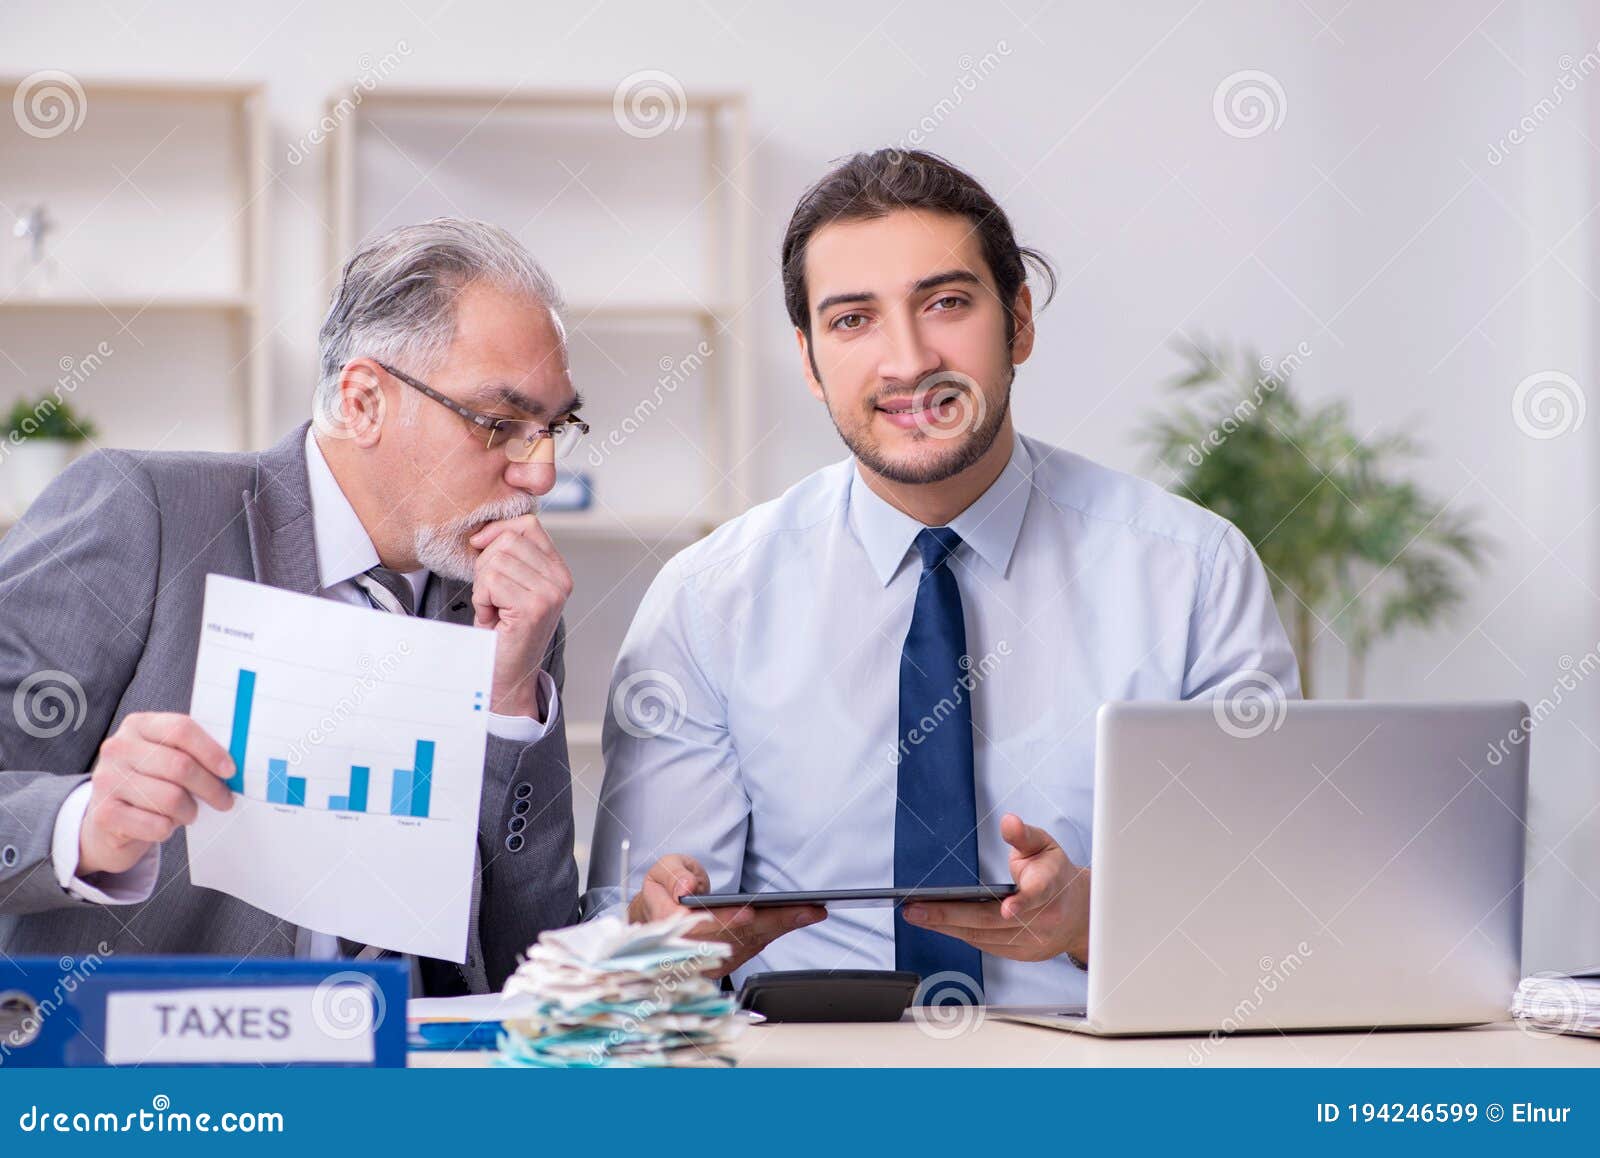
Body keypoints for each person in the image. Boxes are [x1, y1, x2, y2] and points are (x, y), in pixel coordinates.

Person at [587, 150, 1301, 1005]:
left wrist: (1094, 922)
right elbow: (635, 950)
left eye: (947, 303)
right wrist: (665, 949)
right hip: (808, 1069)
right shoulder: (708, 601)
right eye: (853, 320)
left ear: (1019, 323)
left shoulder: (1193, 574)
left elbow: (1270, 916)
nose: (907, 360)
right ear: (810, 362)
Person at [0, 218, 585, 994]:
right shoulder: (148, 514)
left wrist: (511, 703)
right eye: (500, 425)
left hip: (418, 1060)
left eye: (555, 427)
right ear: (365, 401)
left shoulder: (508, 612)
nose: (540, 475)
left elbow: (532, 958)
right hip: (154, 1057)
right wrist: (80, 822)